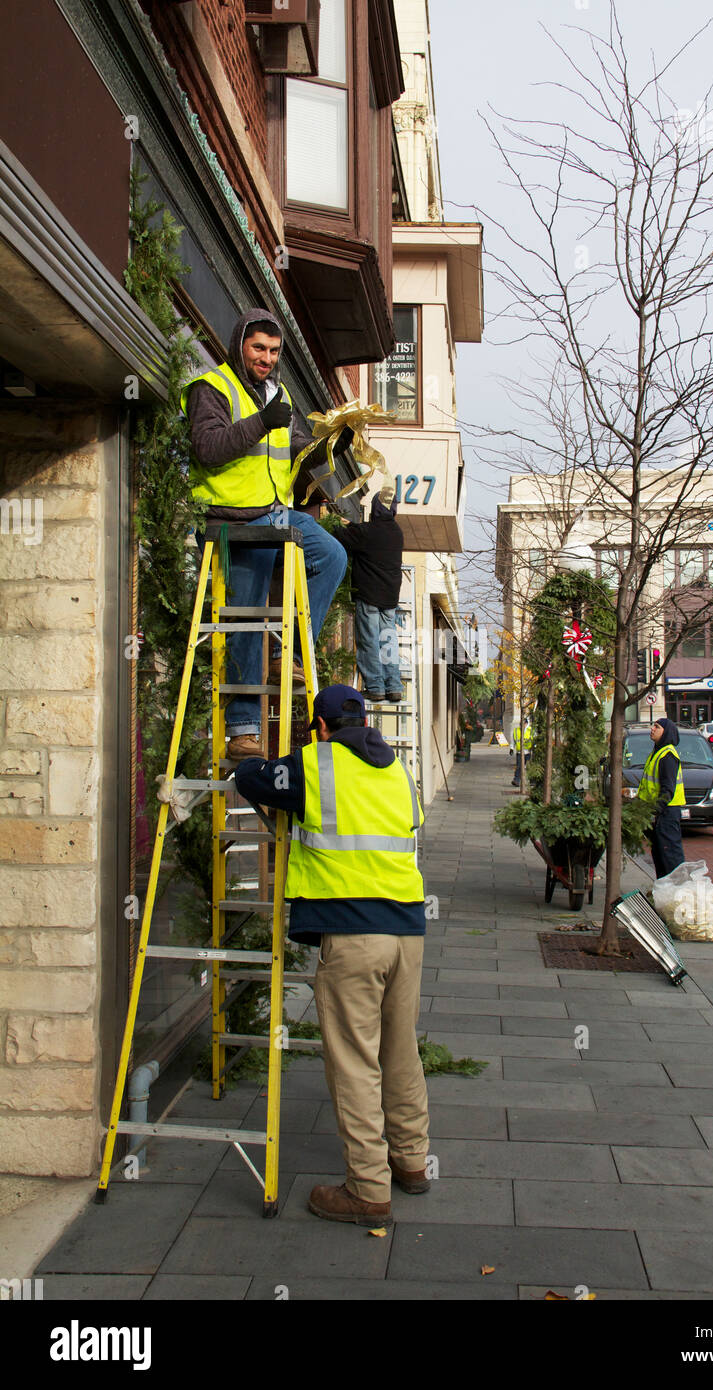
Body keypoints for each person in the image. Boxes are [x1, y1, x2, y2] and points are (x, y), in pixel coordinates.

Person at [233, 685, 430, 1226]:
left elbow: (250, 779)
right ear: (364, 721)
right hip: (408, 932)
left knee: (353, 1061)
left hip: (351, 936)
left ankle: (368, 1189)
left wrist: (252, 754)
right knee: (400, 1050)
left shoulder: (314, 764)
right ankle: (412, 1161)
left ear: (319, 726)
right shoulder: (398, 770)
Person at [181, 308, 347, 759]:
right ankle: (243, 730)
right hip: (231, 522)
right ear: (239, 345)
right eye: (259, 348)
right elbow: (209, 448)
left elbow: (293, 452)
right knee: (245, 619)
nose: (267, 358)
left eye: (274, 351)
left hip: (274, 514)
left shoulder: (279, 393)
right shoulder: (211, 388)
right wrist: (262, 421)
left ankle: (289, 653)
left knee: (331, 555)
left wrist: (329, 446)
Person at [333, 489, 404, 702]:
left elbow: (342, 537)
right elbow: (367, 536)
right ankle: (393, 686)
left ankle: (375, 687)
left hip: (369, 596)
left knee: (369, 641)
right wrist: (354, 527)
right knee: (387, 640)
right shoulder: (396, 532)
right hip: (390, 599)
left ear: (375, 508)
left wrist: (338, 522)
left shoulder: (367, 531)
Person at [638, 717, 686, 877]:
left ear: (666, 732)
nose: (652, 729)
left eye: (657, 727)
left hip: (666, 814)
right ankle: (663, 891)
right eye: (653, 726)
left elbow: (668, 789)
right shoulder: (657, 752)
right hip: (659, 814)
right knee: (659, 856)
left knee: (670, 858)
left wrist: (656, 810)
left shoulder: (667, 755)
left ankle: (677, 893)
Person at [511, 720, 533, 787]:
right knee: (519, 766)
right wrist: (511, 748)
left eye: (523, 724)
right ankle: (516, 780)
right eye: (520, 724)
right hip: (519, 752)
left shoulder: (531, 730)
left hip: (528, 752)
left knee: (529, 767)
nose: (521, 726)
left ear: (526, 724)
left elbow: (533, 739)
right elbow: (513, 740)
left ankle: (532, 780)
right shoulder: (516, 730)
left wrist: (534, 747)